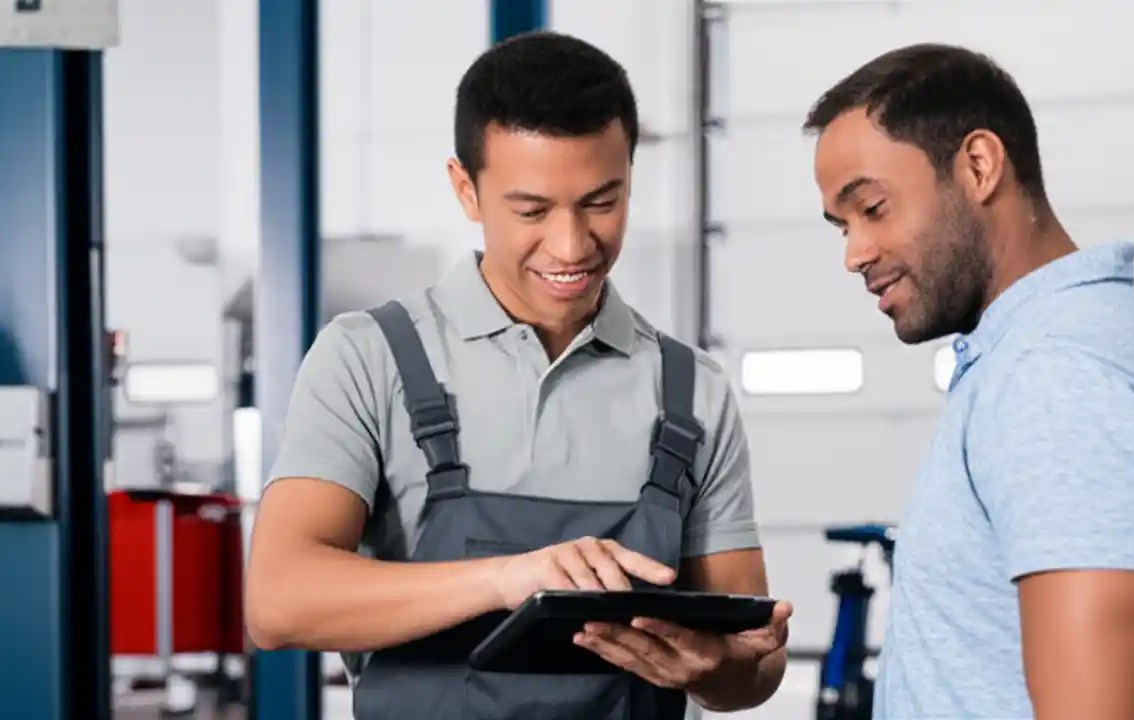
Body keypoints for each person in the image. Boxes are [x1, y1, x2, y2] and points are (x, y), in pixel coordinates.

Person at [245, 31, 790, 719]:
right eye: (531, 211)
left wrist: (721, 670)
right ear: (465, 189)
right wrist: (511, 579)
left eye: (602, 201)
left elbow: (748, 666)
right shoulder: (367, 357)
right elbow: (278, 602)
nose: (571, 246)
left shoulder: (692, 392)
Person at [804, 43, 1134, 720]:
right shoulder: (1064, 348)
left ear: (978, 165)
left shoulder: (1062, 375)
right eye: (841, 226)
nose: (854, 254)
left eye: (873, 208)